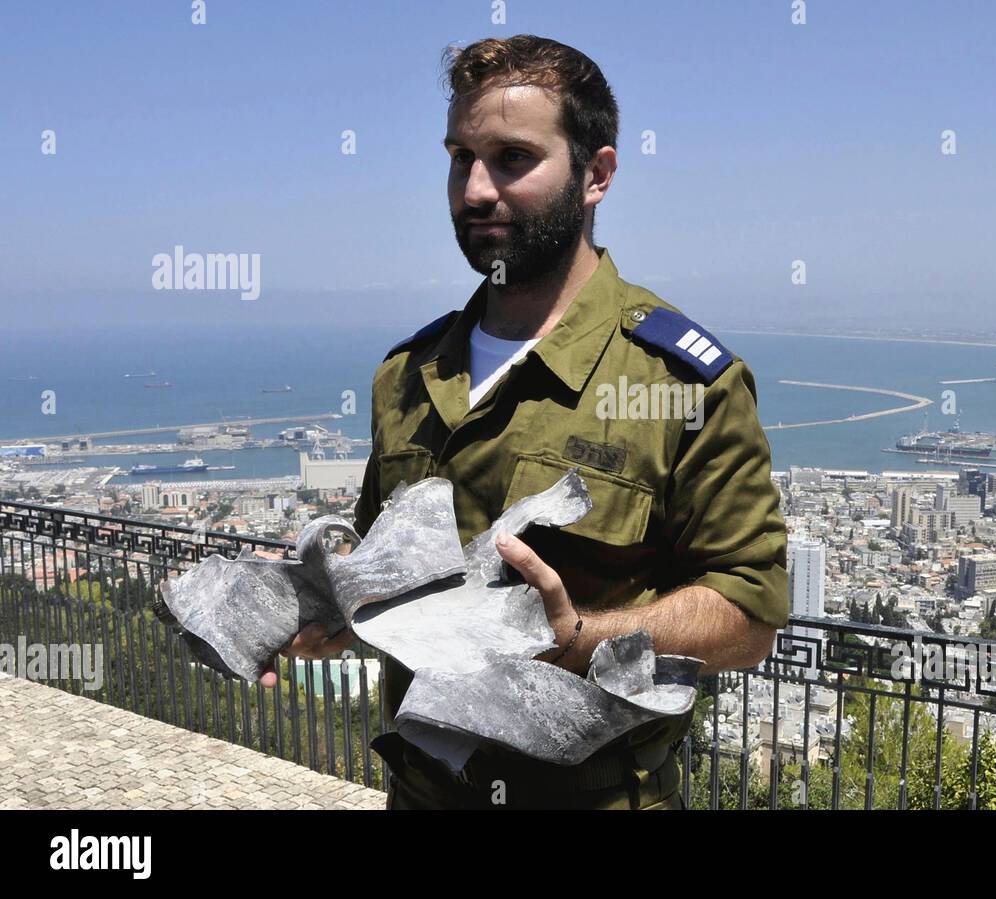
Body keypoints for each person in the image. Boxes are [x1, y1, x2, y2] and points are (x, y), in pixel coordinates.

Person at [274, 34, 789, 809]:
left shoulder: (678, 381)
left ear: (597, 175)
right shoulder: (408, 376)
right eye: (460, 156)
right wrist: (328, 616)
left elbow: (749, 614)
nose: (476, 188)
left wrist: (584, 636)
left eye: (512, 158)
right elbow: (387, 585)